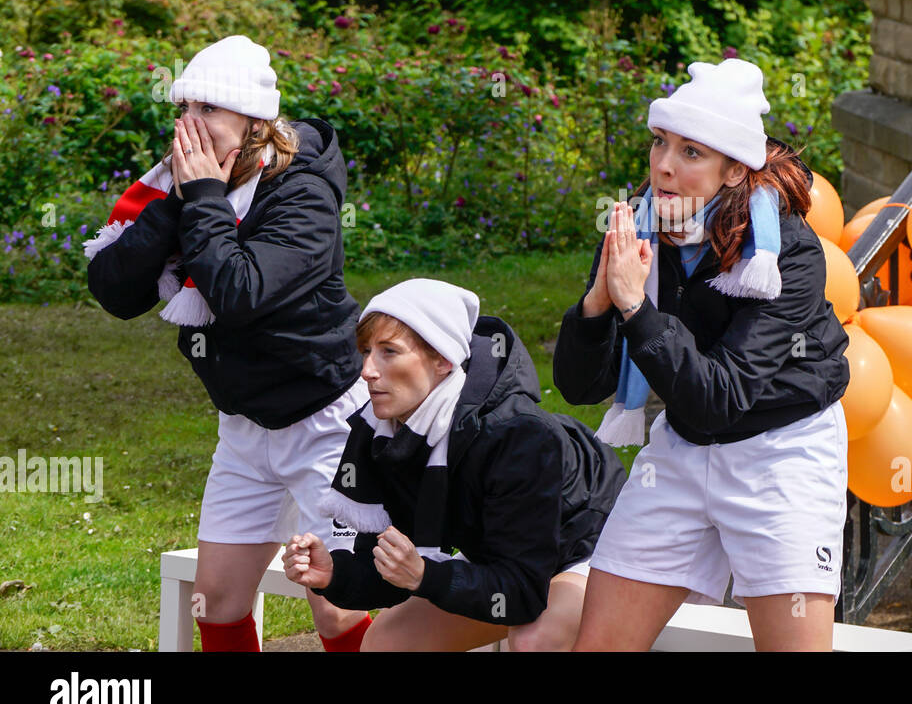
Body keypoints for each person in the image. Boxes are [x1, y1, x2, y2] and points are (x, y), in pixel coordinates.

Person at [552, 57, 851, 652]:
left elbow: (721, 397)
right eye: (660, 142)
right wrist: (599, 301)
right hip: (683, 448)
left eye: (691, 152)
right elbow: (580, 387)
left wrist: (638, 310)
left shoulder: (786, 254)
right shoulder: (638, 226)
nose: (663, 166)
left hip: (781, 451)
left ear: (735, 169)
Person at [85, 34, 372, 651]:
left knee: (337, 606)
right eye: (184, 109)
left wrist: (203, 198)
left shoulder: (303, 192)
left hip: (327, 421)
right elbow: (115, 292)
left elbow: (239, 293)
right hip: (244, 426)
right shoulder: (183, 187)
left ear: (254, 124)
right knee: (214, 601)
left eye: (208, 110)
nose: (189, 125)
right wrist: (178, 202)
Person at [283, 278, 628, 651]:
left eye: (389, 351)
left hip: (590, 547)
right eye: (366, 351)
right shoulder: (382, 432)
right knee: (386, 642)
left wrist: (425, 575)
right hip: (505, 558)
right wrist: (334, 574)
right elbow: (386, 568)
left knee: (535, 640)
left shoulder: (519, 436)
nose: (367, 370)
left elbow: (524, 593)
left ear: (443, 359)